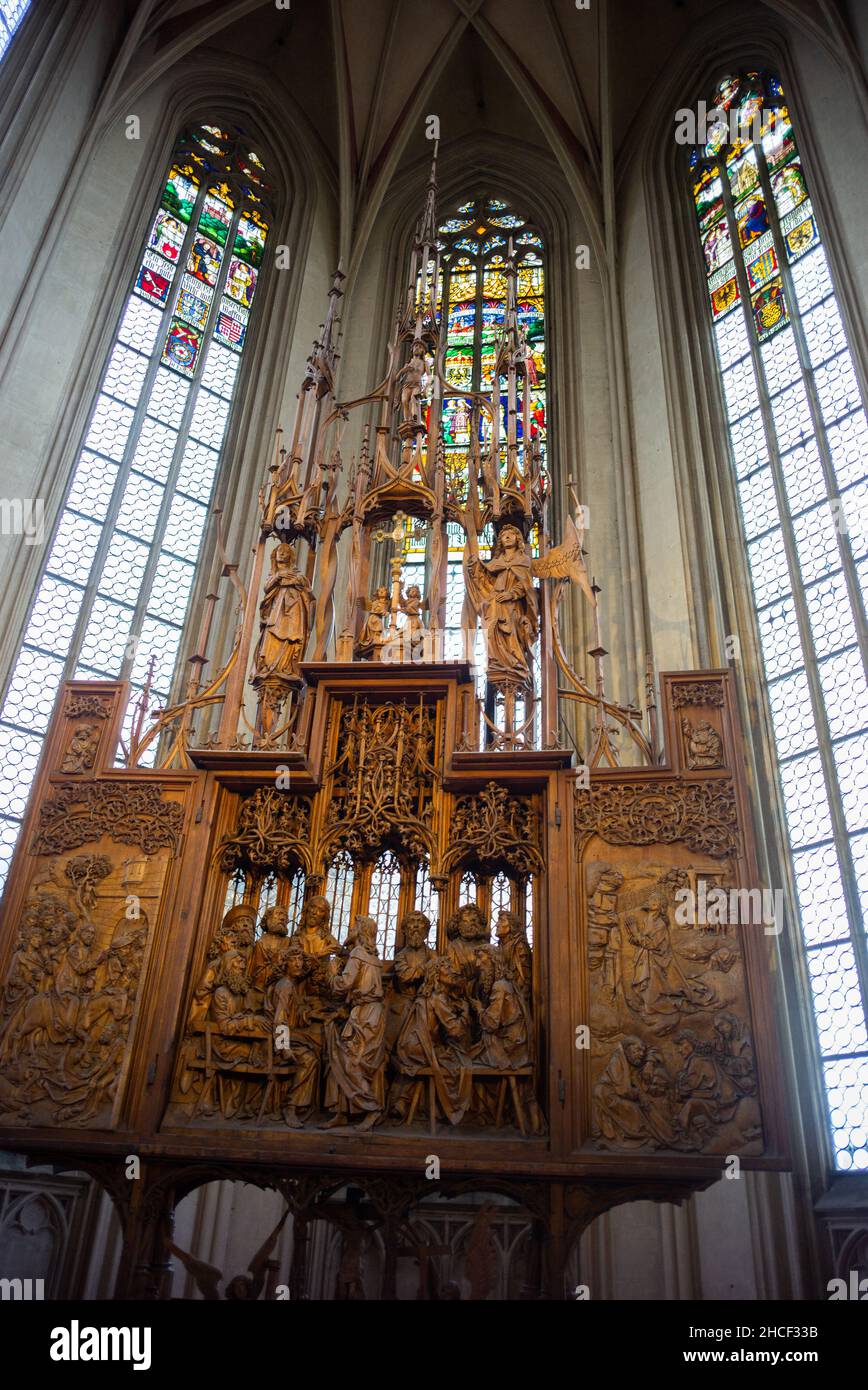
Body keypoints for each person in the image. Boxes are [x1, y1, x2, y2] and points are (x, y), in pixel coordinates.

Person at [322, 916, 386, 1131]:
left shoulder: (359, 954)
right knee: (341, 1060)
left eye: (353, 927)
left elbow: (344, 984)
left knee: (351, 1062)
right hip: (367, 1013)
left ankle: (372, 1108)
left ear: (360, 931)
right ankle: (341, 1111)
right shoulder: (370, 955)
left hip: (365, 1015)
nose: (350, 929)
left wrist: (331, 974)